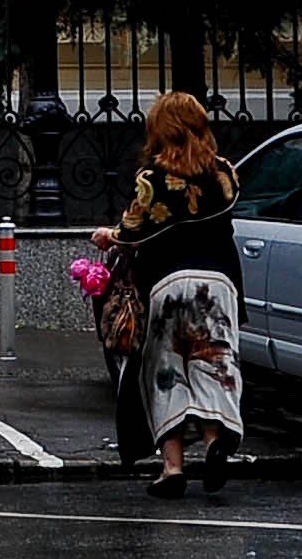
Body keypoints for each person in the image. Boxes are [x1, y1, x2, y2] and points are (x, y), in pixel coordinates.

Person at [100, 91, 247, 497]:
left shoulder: (152, 179)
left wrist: (107, 235)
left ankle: (173, 468)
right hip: (218, 283)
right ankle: (215, 444)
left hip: (166, 282)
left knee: (165, 371)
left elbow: (132, 232)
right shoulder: (225, 174)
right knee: (213, 362)